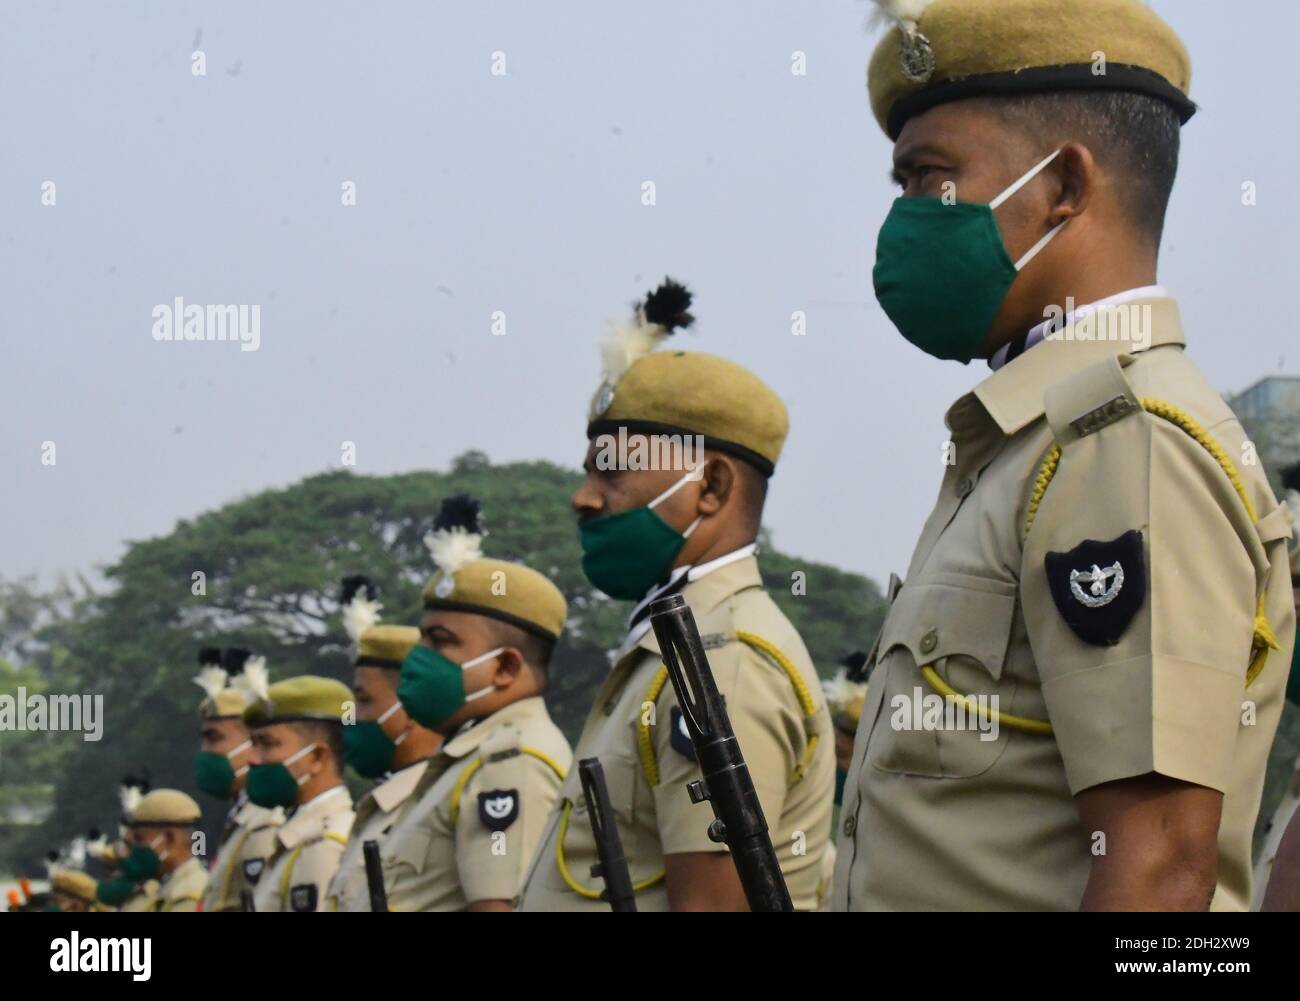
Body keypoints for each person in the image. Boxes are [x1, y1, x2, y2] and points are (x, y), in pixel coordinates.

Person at [834, 0, 1296, 911]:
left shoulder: (1126, 444)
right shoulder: (1028, 446)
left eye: (931, 179)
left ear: (1065, 187)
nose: (905, 221)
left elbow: (1159, 865)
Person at [519, 279, 835, 911]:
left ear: (711, 487)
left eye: (611, 473)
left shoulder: (723, 660)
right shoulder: (674, 648)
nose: (583, 498)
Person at [375, 495, 572, 911]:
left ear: (504, 667)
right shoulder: (469, 758)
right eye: (422, 637)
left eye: (440, 641)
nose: (418, 658)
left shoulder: (510, 761)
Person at [326, 575, 443, 911]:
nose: (350, 718)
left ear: (410, 705)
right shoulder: (378, 807)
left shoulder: (434, 800)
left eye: (363, 701)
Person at [243, 674, 356, 912]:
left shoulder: (327, 845)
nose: (252, 759)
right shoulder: (300, 835)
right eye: (254, 743)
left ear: (317, 757)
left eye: (268, 744)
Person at [193, 647, 285, 911]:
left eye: (214, 738)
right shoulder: (242, 818)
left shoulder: (268, 821)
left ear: (253, 741)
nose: (205, 752)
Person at [96, 789, 209, 912]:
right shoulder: (168, 892)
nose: (129, 853)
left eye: (139, 839)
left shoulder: (188, 897)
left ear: (170, 839)